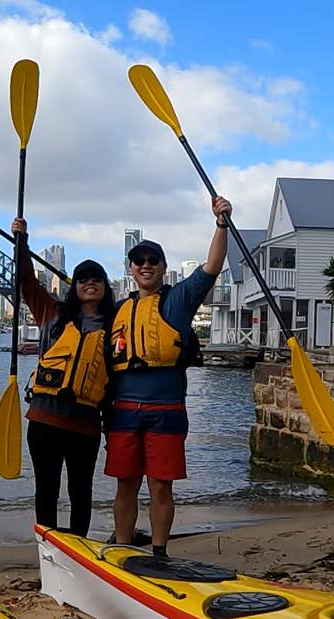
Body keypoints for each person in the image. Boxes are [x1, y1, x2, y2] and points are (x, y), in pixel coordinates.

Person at [107, 195, 232, 557]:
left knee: (161, 486)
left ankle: (159, 553)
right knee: (125, 485)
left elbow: (211, 266)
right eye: (139, 261)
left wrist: (221, 224)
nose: (145, 266)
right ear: (131, 268)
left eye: (153, 261)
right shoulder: (118, 309)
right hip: (125, 410)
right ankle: (123, 549)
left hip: (166, 410)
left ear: (162, 267)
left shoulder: (179, 299)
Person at [12, 216, 116, 536]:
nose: (89, 282)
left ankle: (78, 548)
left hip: (85, 426)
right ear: (75, 285)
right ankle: (49, 546)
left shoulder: (114, 326)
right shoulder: (51, 313)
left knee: (81, 493)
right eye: (83, 278)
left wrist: (112, 429)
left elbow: (116, 383)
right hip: (45, 421)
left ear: (104, 286)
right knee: (46, 489)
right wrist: (22, 241)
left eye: (96, 278)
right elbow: (26, 281)